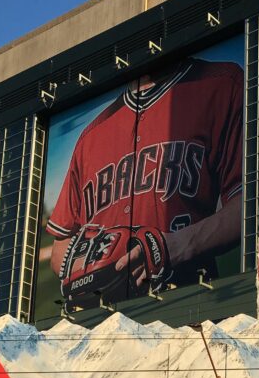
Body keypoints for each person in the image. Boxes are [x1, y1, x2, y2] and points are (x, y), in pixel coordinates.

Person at [46, 57, 243, 301]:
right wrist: (92, 273)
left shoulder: (221, 83)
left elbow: (249, 205)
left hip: (191, 304)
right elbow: (61, 245)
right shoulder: (91, 136)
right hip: (105, 322)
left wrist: (171, 248)